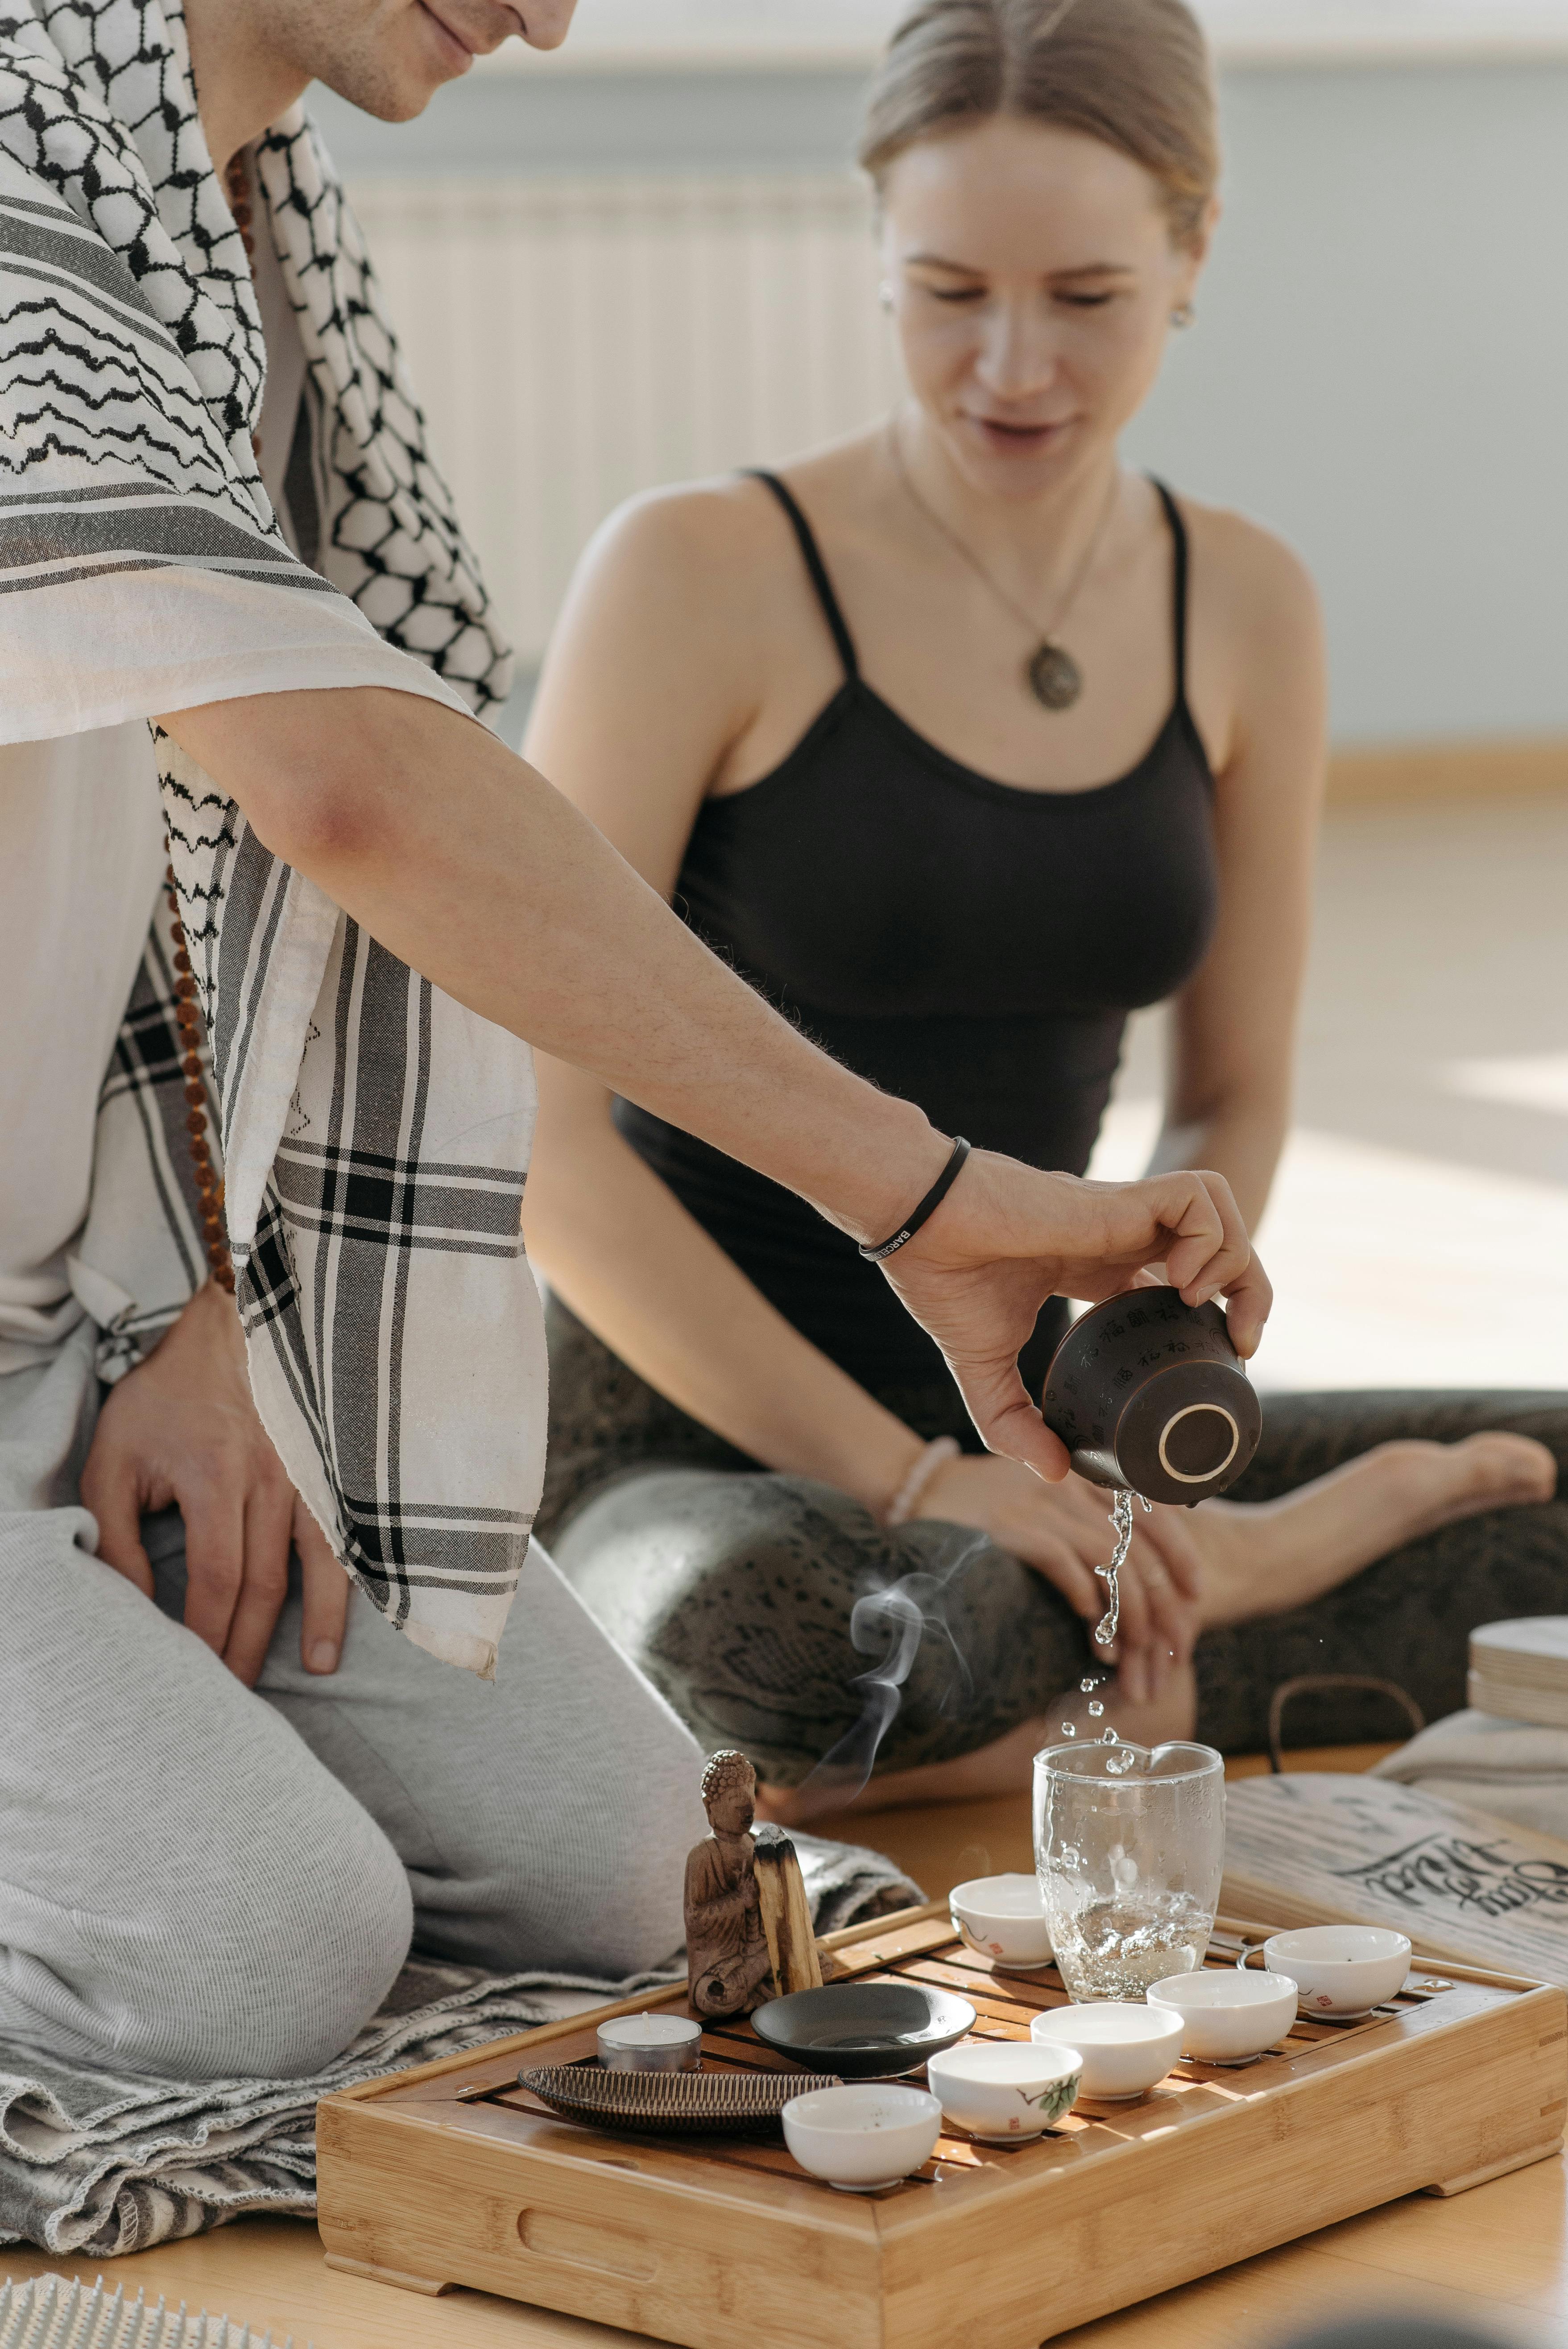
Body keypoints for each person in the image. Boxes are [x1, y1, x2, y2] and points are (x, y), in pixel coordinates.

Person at [0, 0, 1266, 2083]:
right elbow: (352, 796)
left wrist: (224, 1307)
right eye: (952, 287)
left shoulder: (242, 225)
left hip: (83, 1314)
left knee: (628, 1877)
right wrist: (927, 1202)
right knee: (264, 1957)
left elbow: (203, 889)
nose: (555, 13)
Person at [522, 0, 1564, 1817]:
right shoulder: (695, 576)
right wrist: (928, 1487)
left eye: (1085, 298)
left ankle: (1144, 1618)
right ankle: (1240, 1599)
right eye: (947, 293)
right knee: (806, 1647)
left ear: (1192, 254)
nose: (1013, 366)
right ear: (876, 254)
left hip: (1047, 1434)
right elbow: (548, 1163)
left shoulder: (1241, 601)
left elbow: (1231, 1090)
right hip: (694, 1448)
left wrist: (1147, 1402)